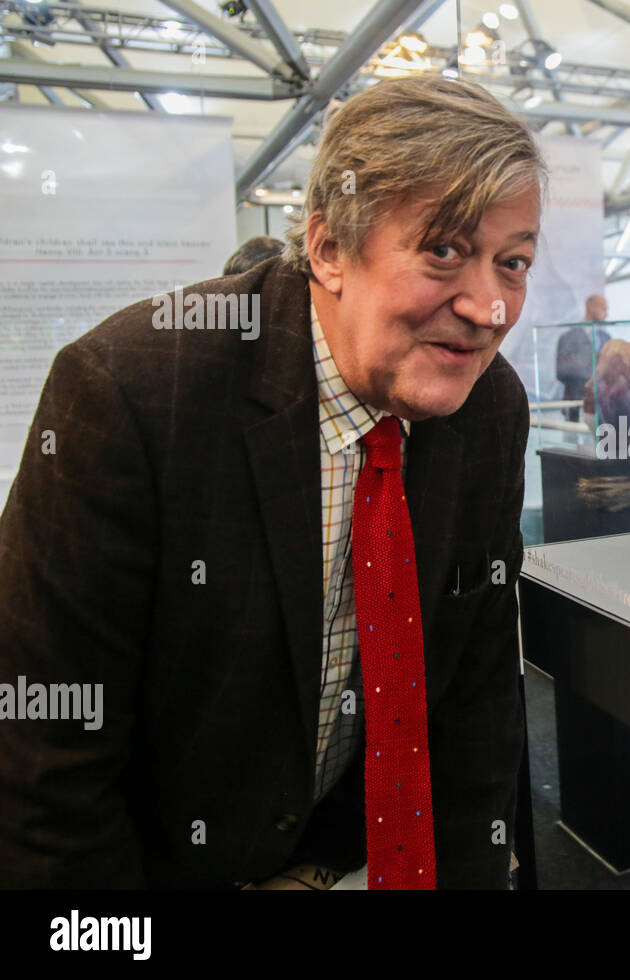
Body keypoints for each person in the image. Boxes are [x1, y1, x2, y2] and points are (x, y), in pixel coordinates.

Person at [0, 74, 546, 889]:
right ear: (328, 248)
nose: (489, 306)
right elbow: (46, 756)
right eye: (445, 250)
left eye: (513, 263)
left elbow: (475, 699)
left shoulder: (489, 406)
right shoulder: (132, 394)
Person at [554, 293, 610, 421]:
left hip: (602, 405)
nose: (606, 314)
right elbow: (561, 371)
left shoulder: (606, 338)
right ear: (590, 307)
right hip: (575, 405)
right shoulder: (567, 338)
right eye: (603, 309)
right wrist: (591, 370)